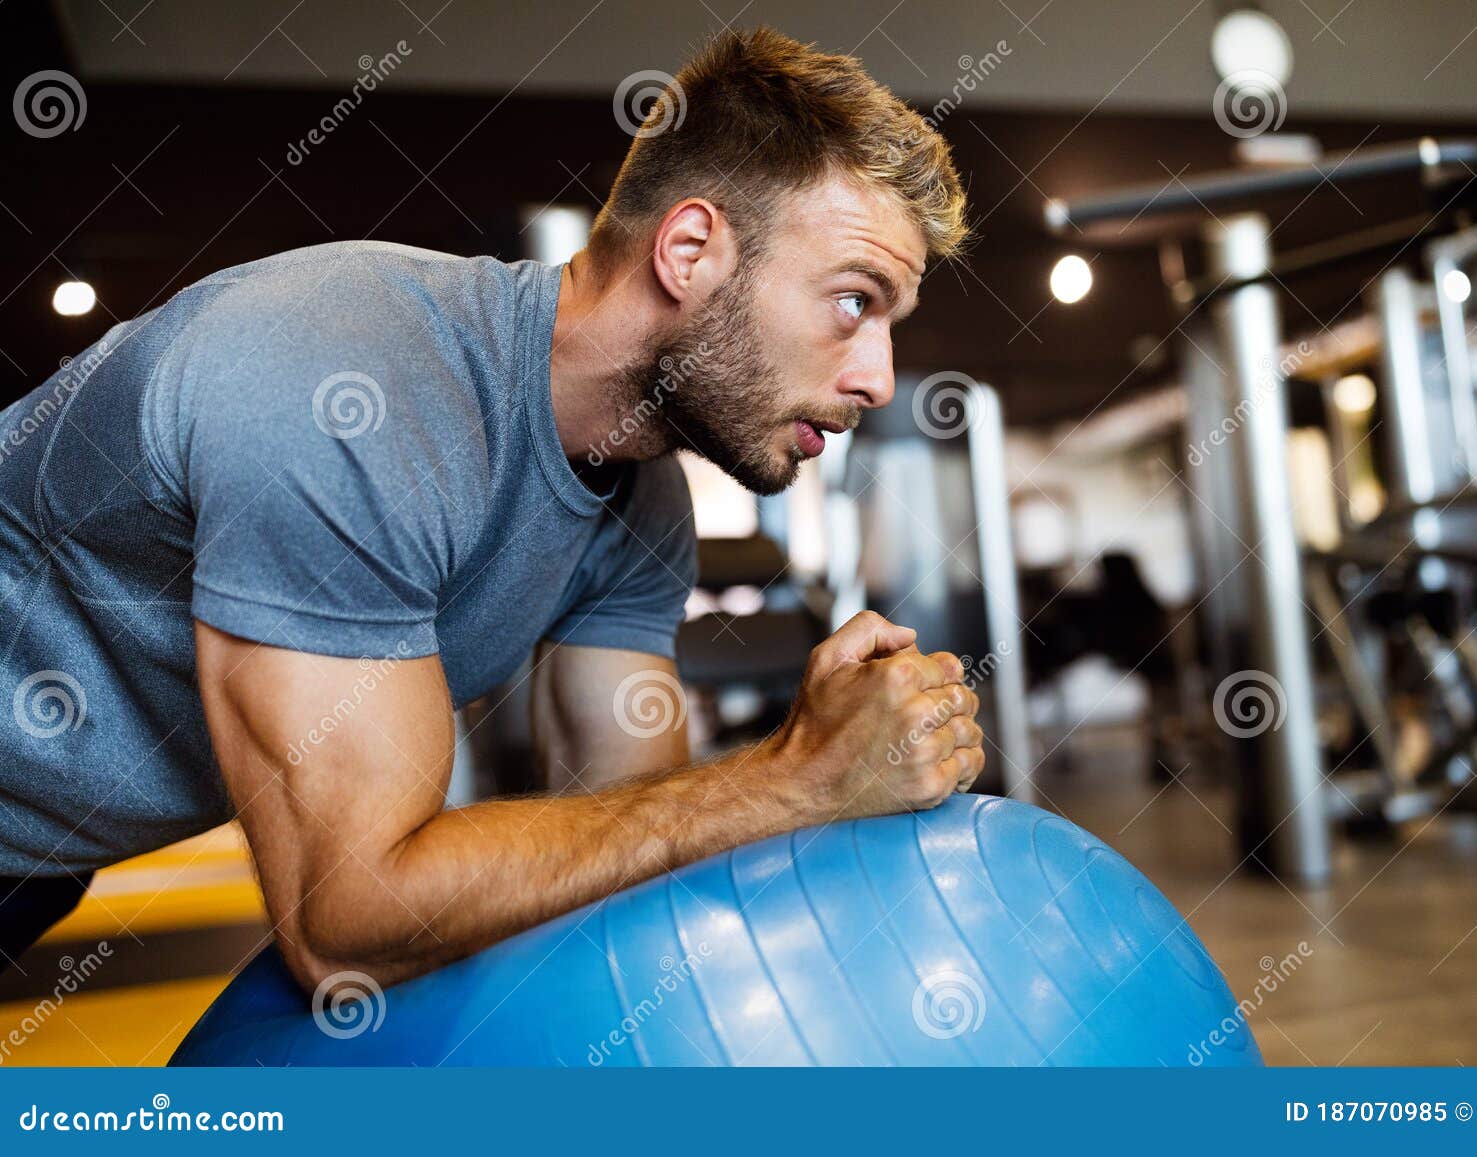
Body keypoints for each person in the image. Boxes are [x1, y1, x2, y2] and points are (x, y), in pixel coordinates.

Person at [0, 27, 982, 989]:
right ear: (690, 250)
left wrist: (842, 773)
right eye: (854, 300)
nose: (878, 378)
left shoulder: (641, 497)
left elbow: (629, 832)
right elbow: (349, 919)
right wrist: (794, 775)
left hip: (41, 854)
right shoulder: (344, 384)